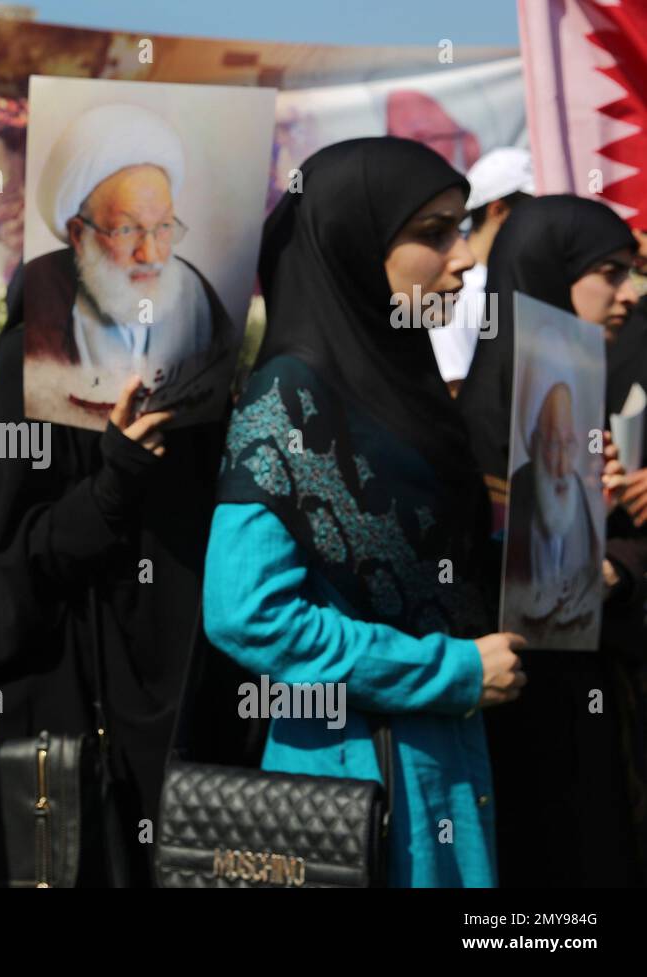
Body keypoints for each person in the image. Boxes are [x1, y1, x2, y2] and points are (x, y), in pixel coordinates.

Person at [203, 136, 528, 887]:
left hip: (448, 763)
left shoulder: (401, 385)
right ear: (353, 243)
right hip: (359, 785)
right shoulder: (287, 398)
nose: (465, 255)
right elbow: (244, 611)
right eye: (432, 232)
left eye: (461, 226)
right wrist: (446, 668)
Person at [0, 235, 251, 888]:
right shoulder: (30, 360)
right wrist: (113, 479)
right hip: (94, 734)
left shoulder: (195, 343)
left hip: (207, 707)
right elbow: (5, 570)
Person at [457, 193, 644, 887]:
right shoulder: (486, 406)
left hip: (588, 693)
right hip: (512, 703)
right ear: (547, 269)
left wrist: (613, 546)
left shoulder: (587, 385)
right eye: (610, 272)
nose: (627, 294)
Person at [24, 102, 234, 426]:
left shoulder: (195, 293)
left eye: (164, 227)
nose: (150, 255)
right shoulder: (44, 298)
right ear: (79, 234)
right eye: (125, 229)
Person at [500, 379, 601, 648]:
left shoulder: (578, 488)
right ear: (534, 443)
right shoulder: (519, 487)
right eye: (554, 444)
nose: (562, 465)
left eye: (569, 444)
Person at [429, 147, 534, 392]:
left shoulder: (514, 281)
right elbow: (456, 390)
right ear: (497, 210)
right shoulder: (452, 291)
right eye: (531, 208)